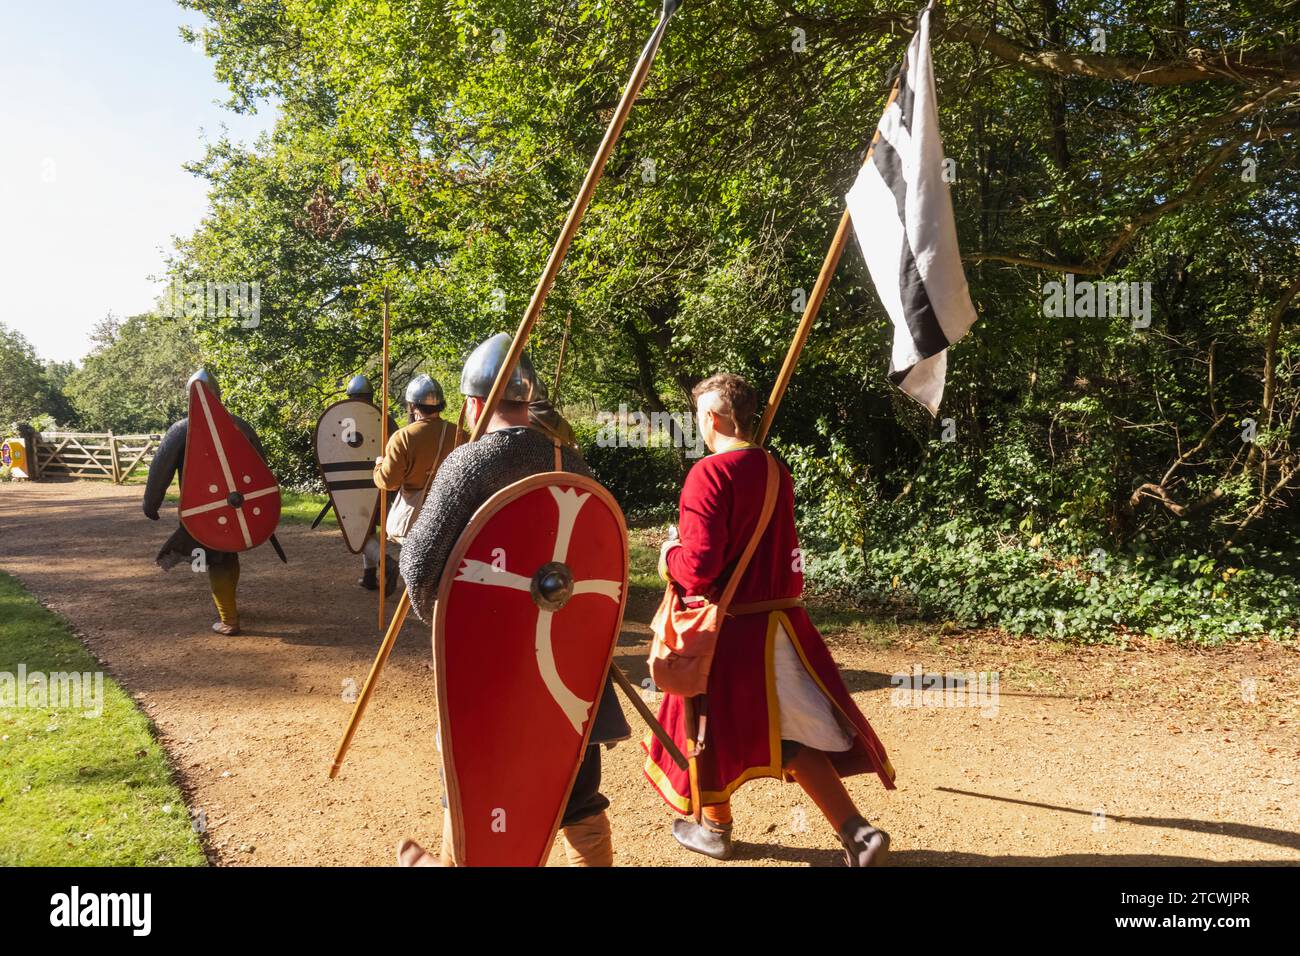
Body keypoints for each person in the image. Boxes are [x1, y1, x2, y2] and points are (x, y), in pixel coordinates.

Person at [643, 372, 896, 866]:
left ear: (712, 418)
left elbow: (698, 570)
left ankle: (717, 829)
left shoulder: (708, 474)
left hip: (735, 631)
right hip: (782, 626)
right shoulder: (776, 468)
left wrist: (669, 552)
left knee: (705, 724)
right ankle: (858, 834)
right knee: (784, 733)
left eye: (700, 417)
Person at [396, 332, 629, 867]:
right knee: (577, 791)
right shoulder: (569, 461)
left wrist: (461, 626)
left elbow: (418, 568)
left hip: (492, 667)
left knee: (474, 790)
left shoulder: (467, 465)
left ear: (473, 405)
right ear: (528, 402)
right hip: (568, 665)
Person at [142, 369, 271, 636]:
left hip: (205, 509)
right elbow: (263, 471)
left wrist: (150, 504)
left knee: (217, 559)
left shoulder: (182, 429)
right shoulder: (240, 425)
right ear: (218, 394)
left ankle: (229, 619)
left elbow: (160, 469)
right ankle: (229, 607)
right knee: (226, 553)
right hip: (234, 507)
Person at [370, 373, 464, 591]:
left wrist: (378, 466)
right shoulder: (460, 434)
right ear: (440, 404)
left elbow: (389, 482)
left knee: (417, 561)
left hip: (416, 514)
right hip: (450, 510)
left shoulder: (403, 437)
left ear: (412, 406)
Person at [342, 374, 399, 592]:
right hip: (380, 483)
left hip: (355, 486)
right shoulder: (384, 417)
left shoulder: (342, 419)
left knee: (360, 531)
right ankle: (368, 576)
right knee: (367, 531)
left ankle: (388, 564)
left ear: (351, 396)